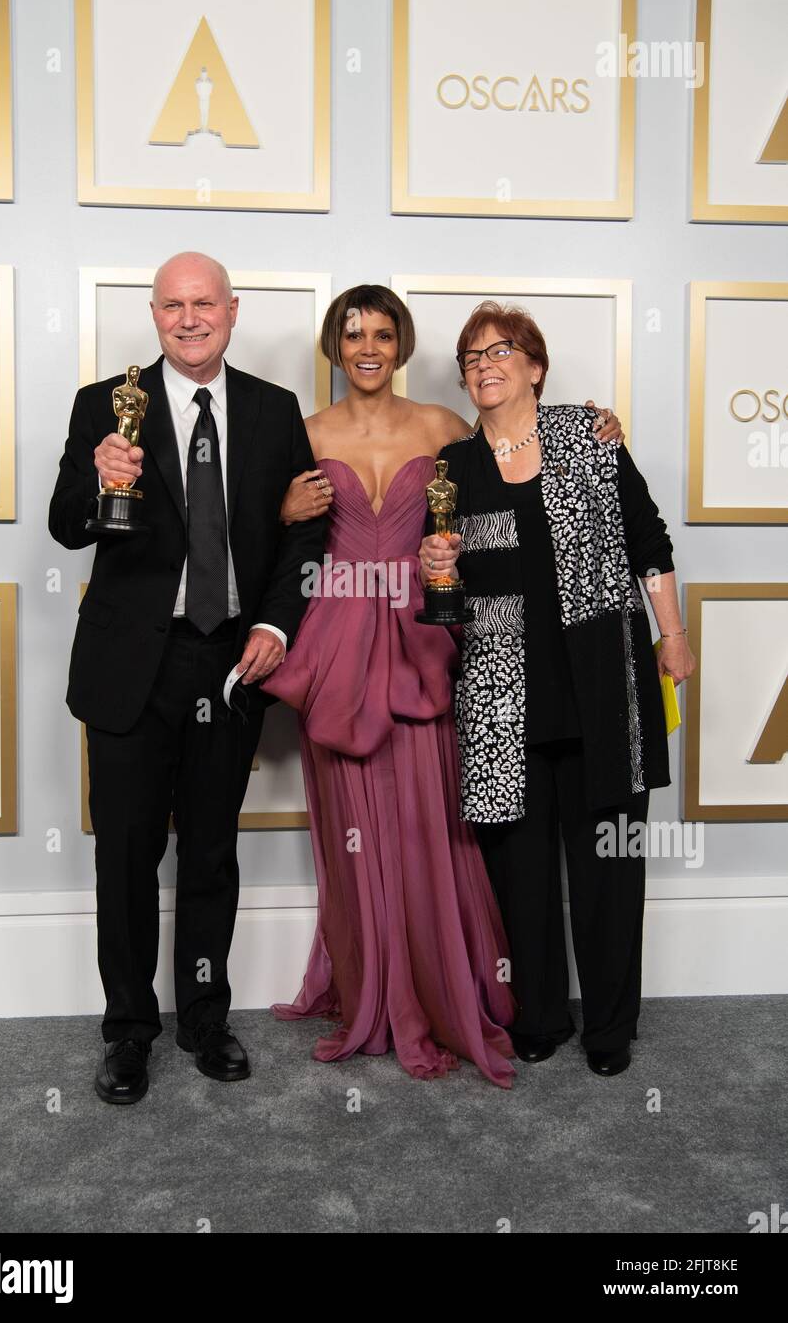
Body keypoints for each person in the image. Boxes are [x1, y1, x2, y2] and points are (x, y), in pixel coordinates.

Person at [261, 285, 624, 1085]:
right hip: (342, 640)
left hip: (431, 633)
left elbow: (511, 466)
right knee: (358, 826)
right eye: (352, 333)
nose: (367, 346)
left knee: (436, 821)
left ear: (402, 345)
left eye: (383, 334)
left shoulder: (444, 428)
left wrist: (588, 429)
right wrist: (283, 509)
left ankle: (445, 987)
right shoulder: (304, 433)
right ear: (333, 344)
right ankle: (376, 993)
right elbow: (265, 539)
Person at [48, 252, 326, 1104]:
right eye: (172, 305)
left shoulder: (276, 412)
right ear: (155, 314)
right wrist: (101, 482)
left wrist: (278, 623)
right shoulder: (105, 404)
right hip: (133, 663)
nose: (189, 318)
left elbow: (306, 534)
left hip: (230, 661)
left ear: (233, 311)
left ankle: (206, 1018)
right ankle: (128, 1031)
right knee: (128, 858)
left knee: (210, 851)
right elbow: (64, 527)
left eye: (204, 303)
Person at [420, 301, 696, 1077]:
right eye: (470, 357)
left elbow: (649, 540)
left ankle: (609, 1029)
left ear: (536, 367)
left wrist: (672, 633)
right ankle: (538, 1014)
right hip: (504, 698)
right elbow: (446, 587)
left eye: (500, 351)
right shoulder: (455, 467)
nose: (484, 366)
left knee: (608, 867)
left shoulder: (590, 437)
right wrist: (432, 571)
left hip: (602, 685)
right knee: (523, 872)